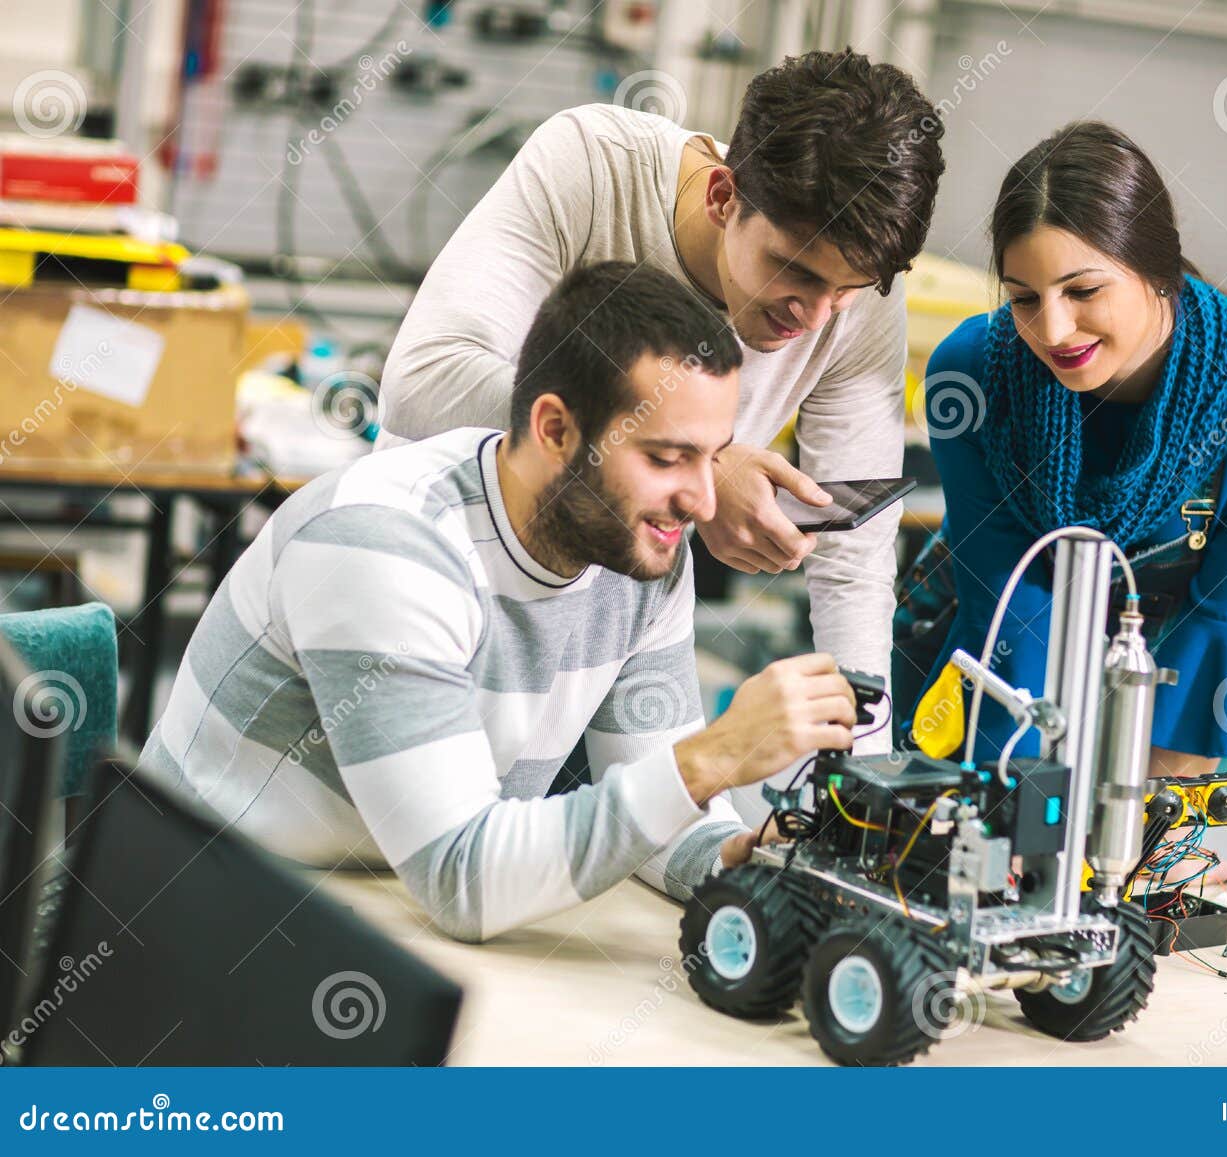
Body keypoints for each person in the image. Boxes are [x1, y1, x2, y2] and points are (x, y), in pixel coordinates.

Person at [141, 263, 860, 943]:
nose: (703, 501)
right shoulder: (385, 542)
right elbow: (462, 878)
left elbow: (662, 823)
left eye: (714, 456)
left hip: (385, 910)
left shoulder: (640, 557)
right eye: (667, 458)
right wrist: (718, 753)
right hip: (196, 908)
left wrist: (753, 859)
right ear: (555, 431)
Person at [377, 50, 946, 738]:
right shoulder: (593, 165)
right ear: (723, 196)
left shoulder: (861, 279)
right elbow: (424, 383)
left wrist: (861, 763)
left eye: (847, 290)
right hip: (428, 597)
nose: (816, 315)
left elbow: (854, 559)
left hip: (608, 642)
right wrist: (704, 464)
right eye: (793, 269)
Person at [901, 121, 1227, 780]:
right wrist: (1013, 811)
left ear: (1157, 270)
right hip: (989, 648)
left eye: (1083, 291)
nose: (1054, 330)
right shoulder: (972, 373)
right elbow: (1010, 606)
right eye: (1024, 298)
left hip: (1166, 674)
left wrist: (1146, 823)